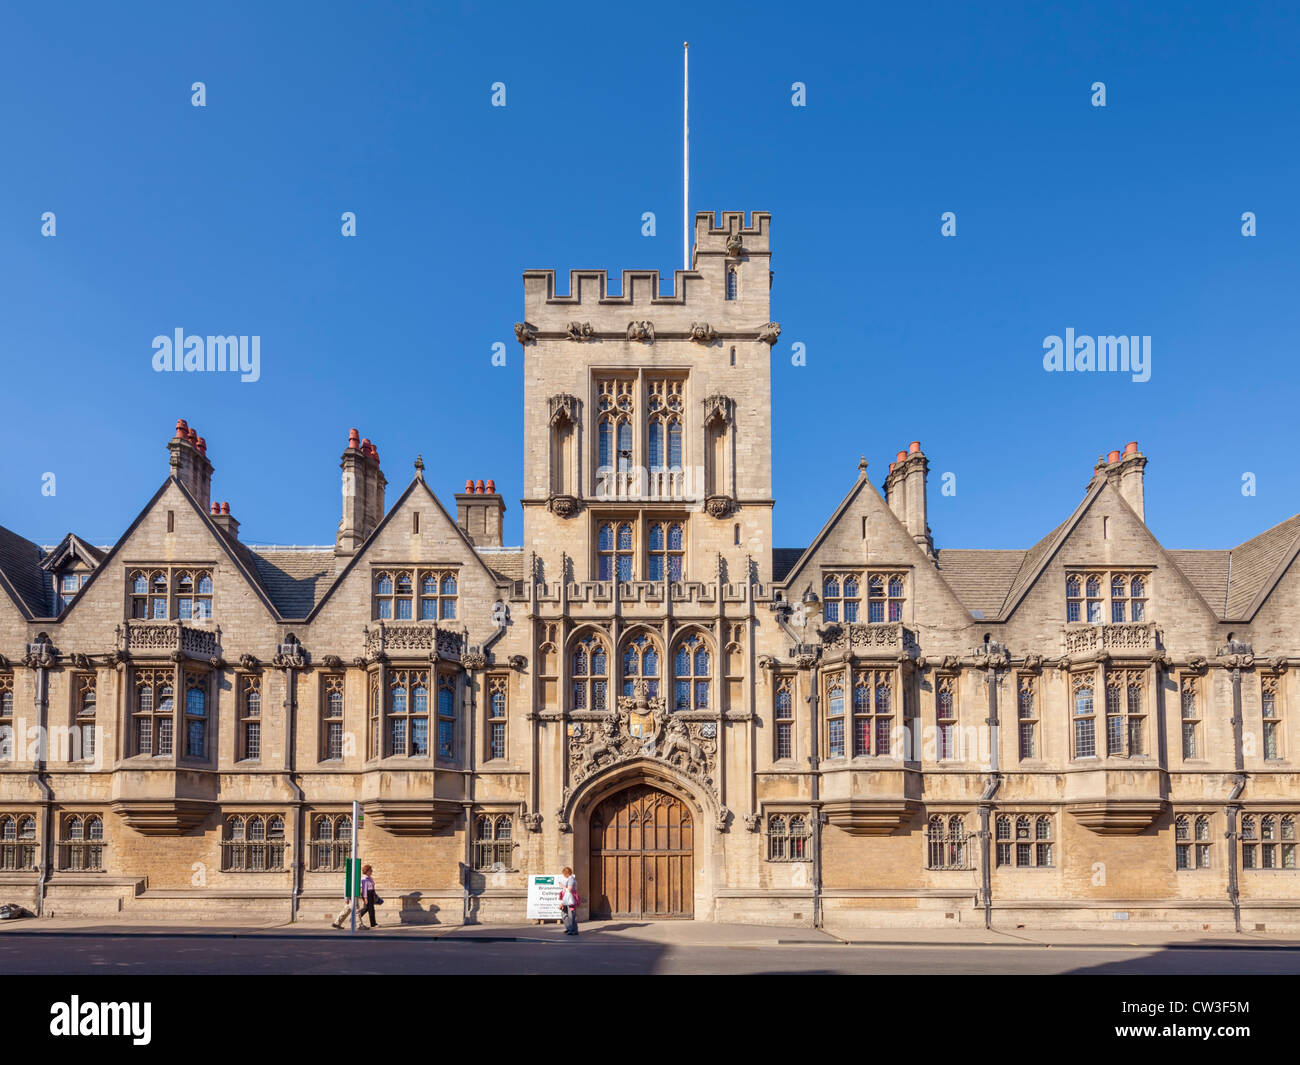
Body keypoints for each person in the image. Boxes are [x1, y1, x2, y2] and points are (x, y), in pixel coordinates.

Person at [559, 866, 580, 936]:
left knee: (571, 915)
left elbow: (570, 889)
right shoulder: (569, 879)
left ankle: (573, 930)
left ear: (566, 873)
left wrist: (562, 886)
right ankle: (569, 928)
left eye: (564, 873)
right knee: (564, 913)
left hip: (570, 898)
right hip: (566, 898)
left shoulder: (571, 879)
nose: (563, 875)